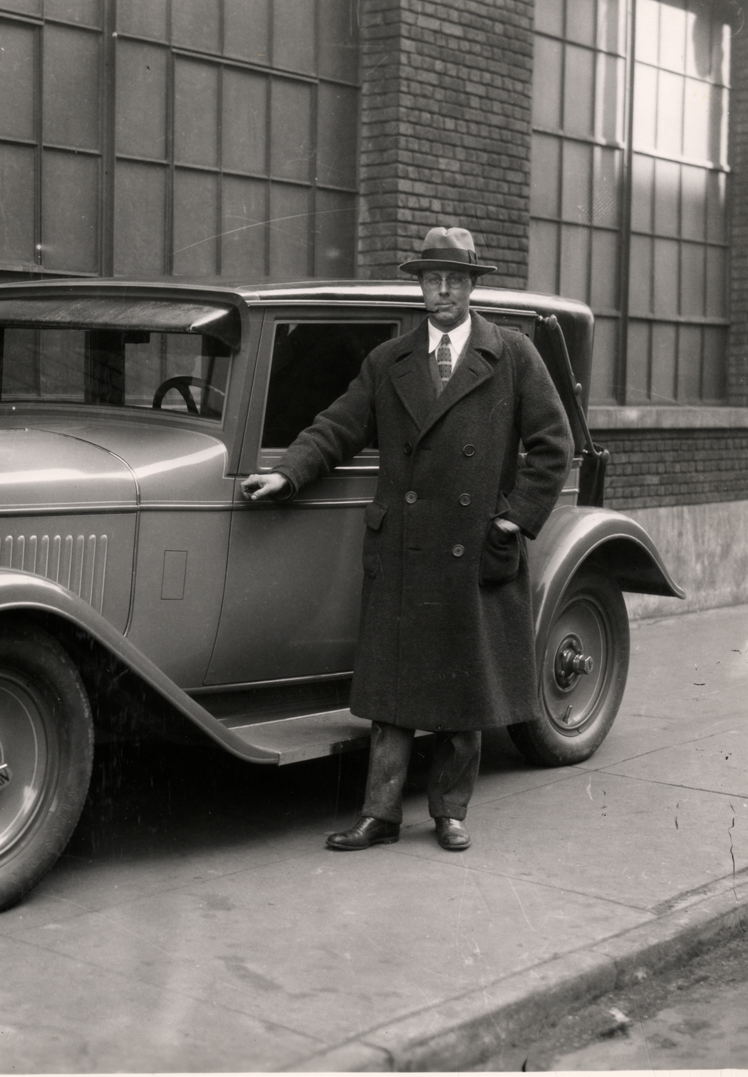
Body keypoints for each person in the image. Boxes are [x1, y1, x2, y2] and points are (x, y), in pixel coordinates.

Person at [242, 226, 571, 852]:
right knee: (392, 690)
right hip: (405, 545)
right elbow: (338, 425)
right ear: (418, 286)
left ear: (473, 286)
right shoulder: (389, 360)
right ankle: (381, 814)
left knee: (463, 687)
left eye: (454, 279)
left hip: (473, 543)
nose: (442, 289)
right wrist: (289, 471)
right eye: (431, 278)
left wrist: (513, 517)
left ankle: (451, 813)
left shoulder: (514, 355)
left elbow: (553, 446)